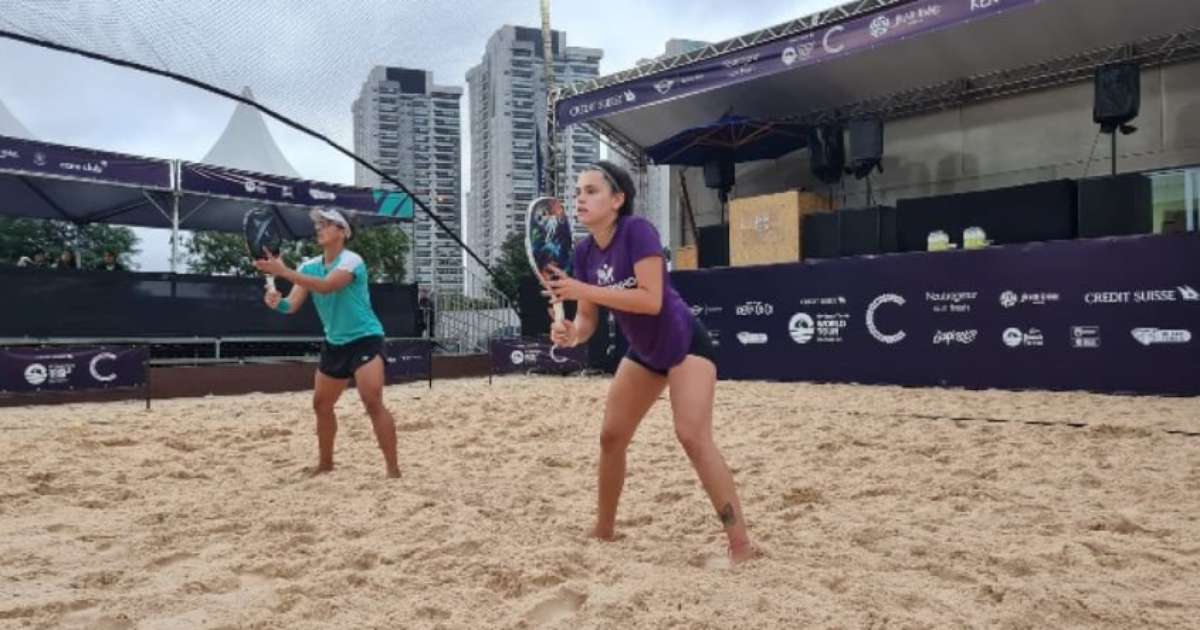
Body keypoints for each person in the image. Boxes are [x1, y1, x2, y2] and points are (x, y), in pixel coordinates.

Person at [544, 160, 756, 564]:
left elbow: (650, 299)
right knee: (611, 437)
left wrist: (582, 287)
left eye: (591, 191)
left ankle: (741, 546)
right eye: (577, 193)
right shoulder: (584, 252)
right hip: (644, 351)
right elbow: (588, 319)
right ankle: (604, 531)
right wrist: (572, 332)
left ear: (618, 199)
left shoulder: (637, 231)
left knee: (692, 437)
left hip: (684, 343)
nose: (580, 199)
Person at [253, 208, 401, 479]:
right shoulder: (309, 266)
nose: (320, 228)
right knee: (321, 405)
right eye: (319, 224)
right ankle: (325, 465)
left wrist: (283, 271)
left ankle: (393, 470)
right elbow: (292, 306)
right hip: (335, 343)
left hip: (365, 339)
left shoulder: (352, 261)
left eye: (327, 224)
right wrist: (277, 302)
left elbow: (326, 286)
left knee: (372, 402)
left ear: (343, 232)